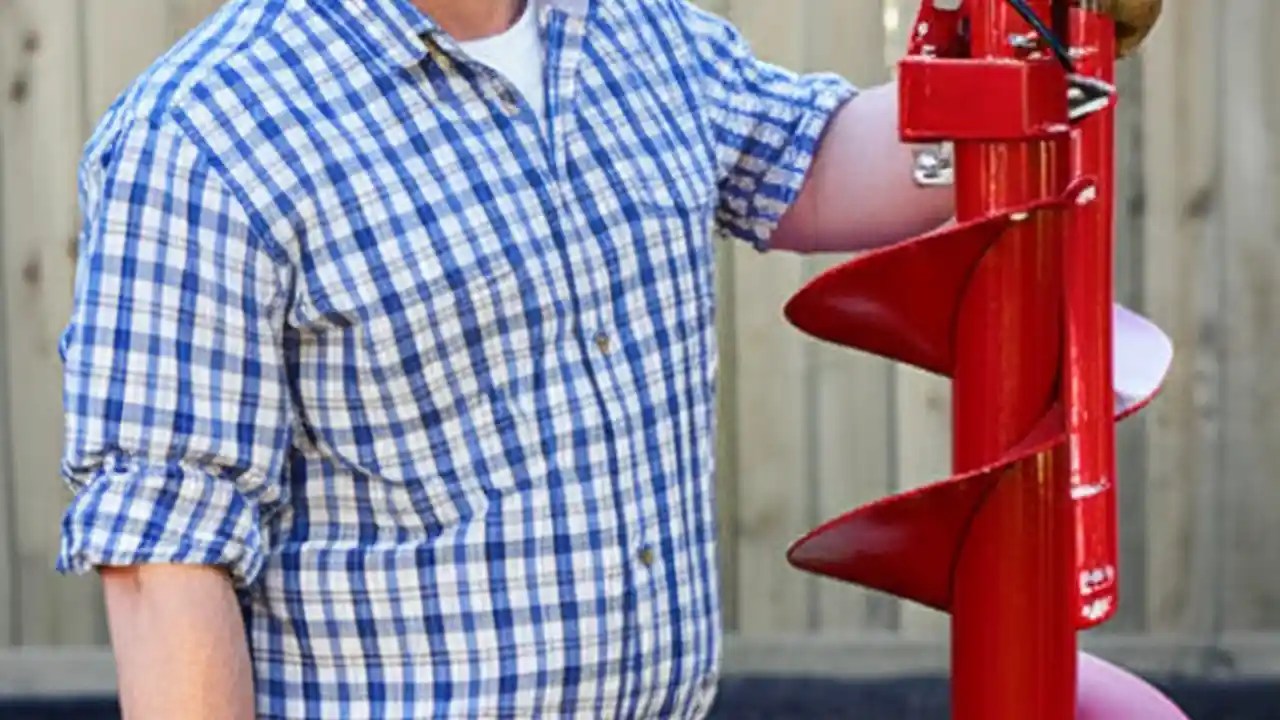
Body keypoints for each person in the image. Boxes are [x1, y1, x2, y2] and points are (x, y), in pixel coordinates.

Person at [56, 0, 1160, 717]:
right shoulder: (207, 132)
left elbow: (810, 165)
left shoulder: (632, 30)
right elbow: (167, 561)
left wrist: (1026, 65)